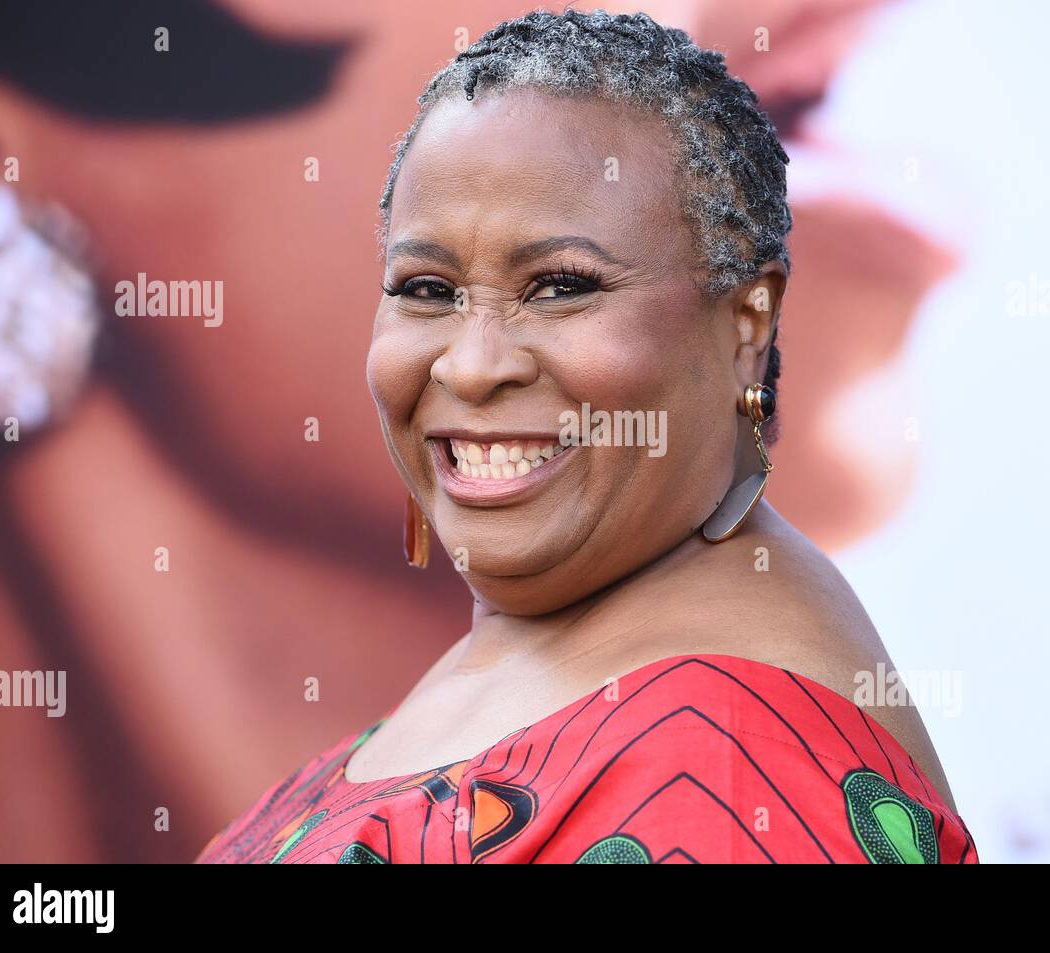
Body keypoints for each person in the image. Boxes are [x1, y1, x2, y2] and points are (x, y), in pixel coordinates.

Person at [195, 9, 977, 865]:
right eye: (426, 288)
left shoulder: (723, 761)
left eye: (562, 285)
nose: (472, 365)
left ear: (747, 324)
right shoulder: (556, 656)